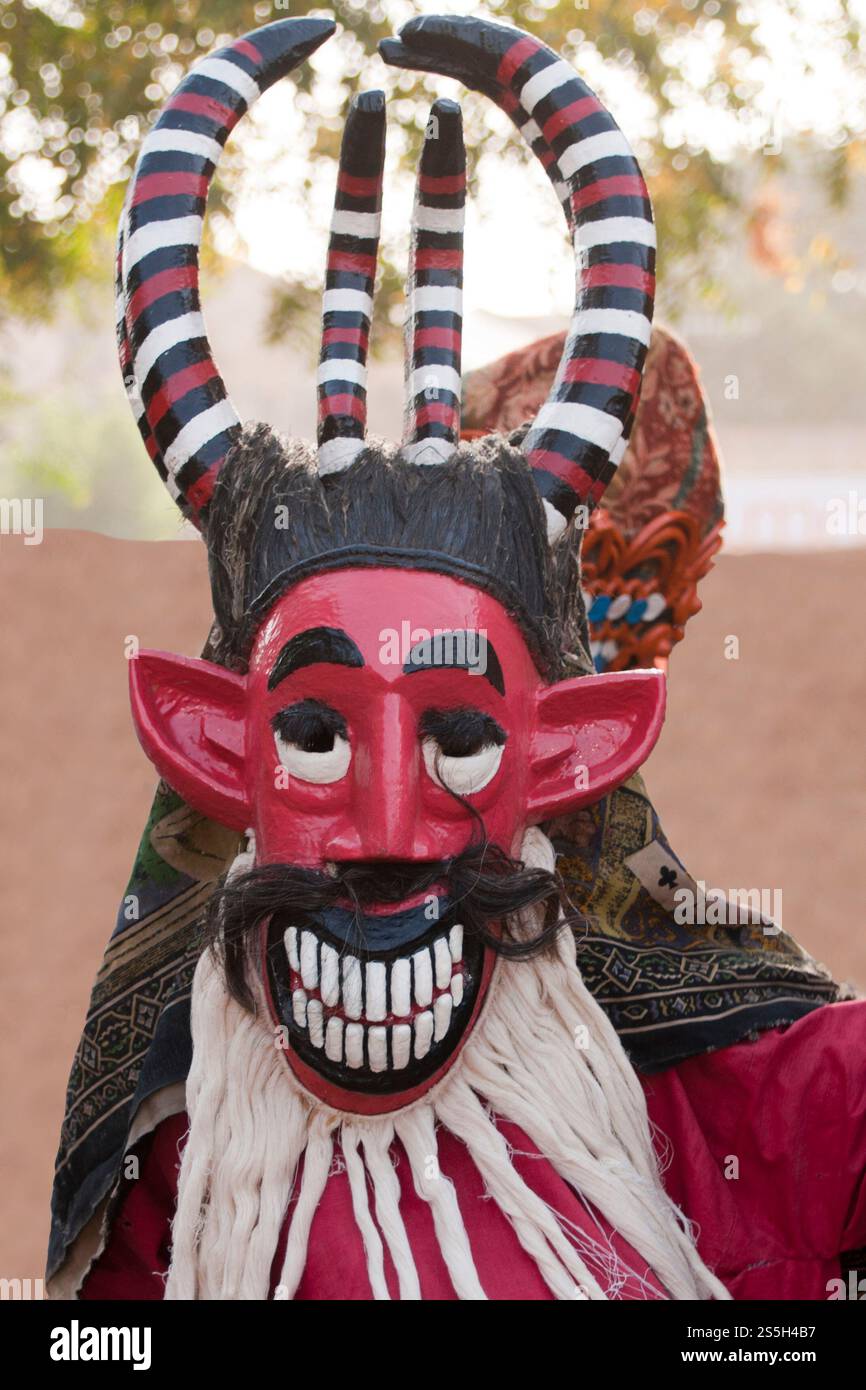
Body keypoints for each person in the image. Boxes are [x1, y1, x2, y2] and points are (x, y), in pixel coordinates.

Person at [48, 15, 864, 1302]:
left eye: (458, 735)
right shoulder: (172, 1172)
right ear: (210, 742)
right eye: (315, 735)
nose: (383, 827)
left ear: (569, 745)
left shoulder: (718, 1091)